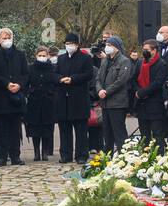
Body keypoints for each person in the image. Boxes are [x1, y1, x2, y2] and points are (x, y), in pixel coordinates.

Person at [0, 27, 28, 166]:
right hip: (1, 96)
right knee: (1, 129)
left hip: (16, 97)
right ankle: (2, 156)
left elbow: (25, 74)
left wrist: (19, 85)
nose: (6, 40)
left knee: (15, 128)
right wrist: (6, 84)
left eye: (8, 37)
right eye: (3, 38)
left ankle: (15, 155)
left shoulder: (20, 54)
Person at [54, 33, 93, 164]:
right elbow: (54, 74)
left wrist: (73, 79)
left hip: (79, 99)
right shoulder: (61, 58)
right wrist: (60, 79)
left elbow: (88, 74)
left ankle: (81, 155)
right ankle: (65, 154)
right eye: (67, 43)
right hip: (63, 99)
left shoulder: (85, 58)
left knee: (81, 130)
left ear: (77, 45)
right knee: (64, 129)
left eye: (71, 44)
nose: (69, 46)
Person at [94, 36, 134, 152]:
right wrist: (99, 90)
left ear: (117, 47)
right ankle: (108, 155)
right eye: (106, 45)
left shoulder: (124, 61)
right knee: (107, 132)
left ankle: (124, 155)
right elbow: (98, 79)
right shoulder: (105, 60)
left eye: (110, 45)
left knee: (119, 131)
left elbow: (121, 81)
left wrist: (107, 91)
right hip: (105, 103)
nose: (107, 47)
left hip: (117, 103)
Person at [132, 39, 168, 153]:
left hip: (155, 103)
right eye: (143, 50)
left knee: (158, 134)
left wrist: (142, 92)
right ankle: (145, 158)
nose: (144, 52)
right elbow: (133, 79)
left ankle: (159, 157)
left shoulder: (162, 64)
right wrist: (137, 91)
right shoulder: (140, 62)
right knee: (144, 135)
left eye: (147, 50)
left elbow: (158, 83)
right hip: (141, 104)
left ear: (154, 50)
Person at [24, 46, 56, 160]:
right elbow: (25, 83)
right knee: (35, 127)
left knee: (47, 127)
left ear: (48, 56)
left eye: (44, 55)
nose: (42, 57)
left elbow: (55, 82)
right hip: (34, 101)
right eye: (40, 55)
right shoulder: (30, 68)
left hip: (48, 101)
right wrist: (29, 92)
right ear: (36, 56)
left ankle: (45, 152)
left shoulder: (52, 68)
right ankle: (36, 152)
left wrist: (51, 92)